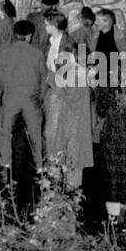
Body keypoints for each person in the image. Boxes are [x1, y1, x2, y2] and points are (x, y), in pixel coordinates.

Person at [94, 13, 126, 224]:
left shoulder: (108, 89)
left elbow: (100, 110)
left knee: (113, 174)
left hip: (113, 137)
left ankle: (114, 216)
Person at [0, 19, 47, 177]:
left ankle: (5, 162)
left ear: (15, 34)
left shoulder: (3, 52)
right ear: (29, 36)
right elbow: (43, 79)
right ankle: (39, 165)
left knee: (6, 131)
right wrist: (40, 99)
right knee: (35, 133)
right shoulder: (37, 53)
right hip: (30, 98)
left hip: (10, 97)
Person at [44, 34, 93, 189]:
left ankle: (64, 188)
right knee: (70, 156)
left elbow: (69, 96)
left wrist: (53, 83)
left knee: (66, 155)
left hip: (72, 123)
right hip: (73, 123)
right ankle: (68, 188)